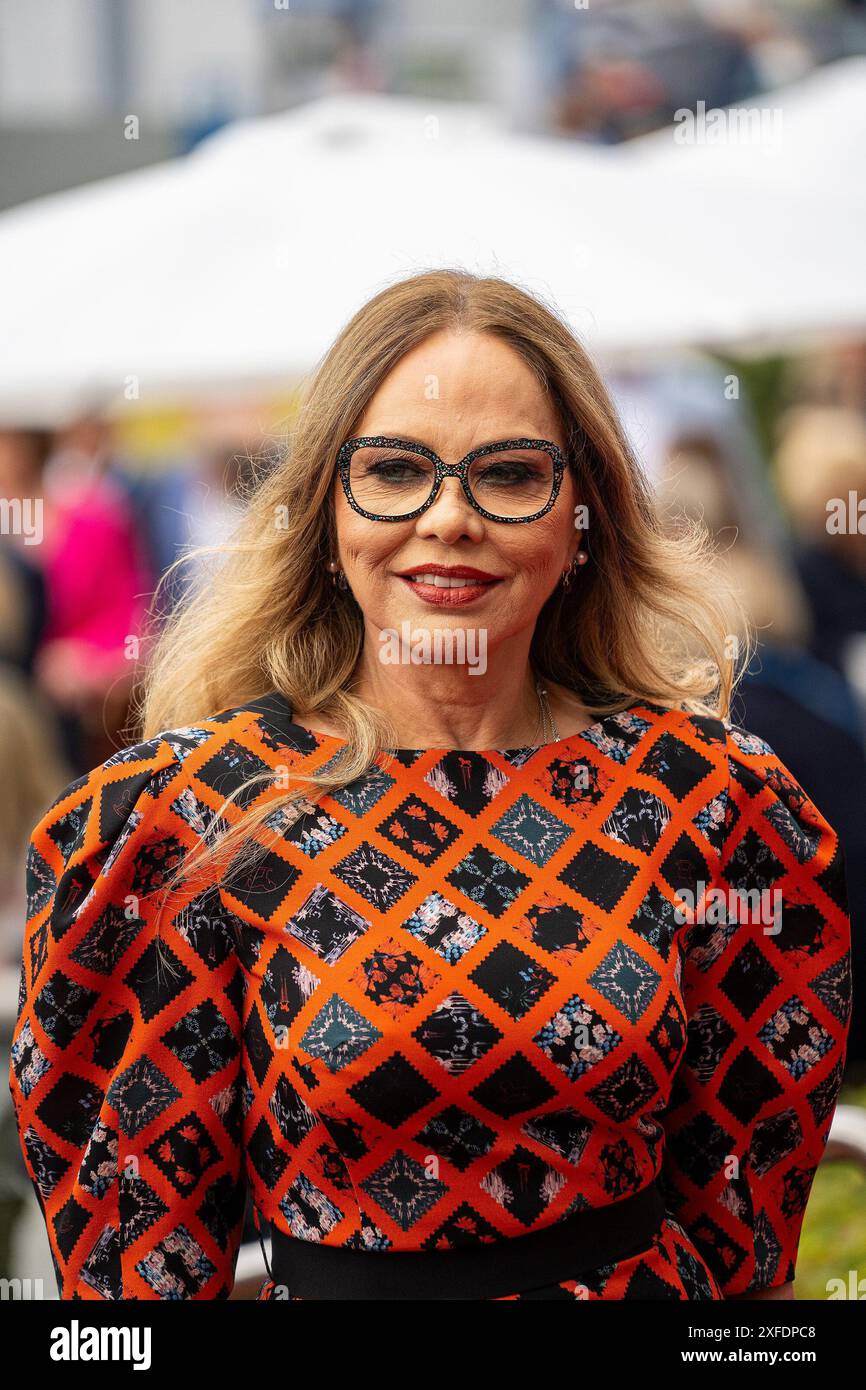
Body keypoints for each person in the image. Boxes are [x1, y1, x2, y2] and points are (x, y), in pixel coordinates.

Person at [8, 270, 852, 1301]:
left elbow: (744, 1254)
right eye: (397, 470)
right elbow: (138, 1286)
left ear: (582, 511)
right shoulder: (186, 820)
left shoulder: (714, 801)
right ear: (324, 508)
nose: (448, 516)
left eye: (506, 474)